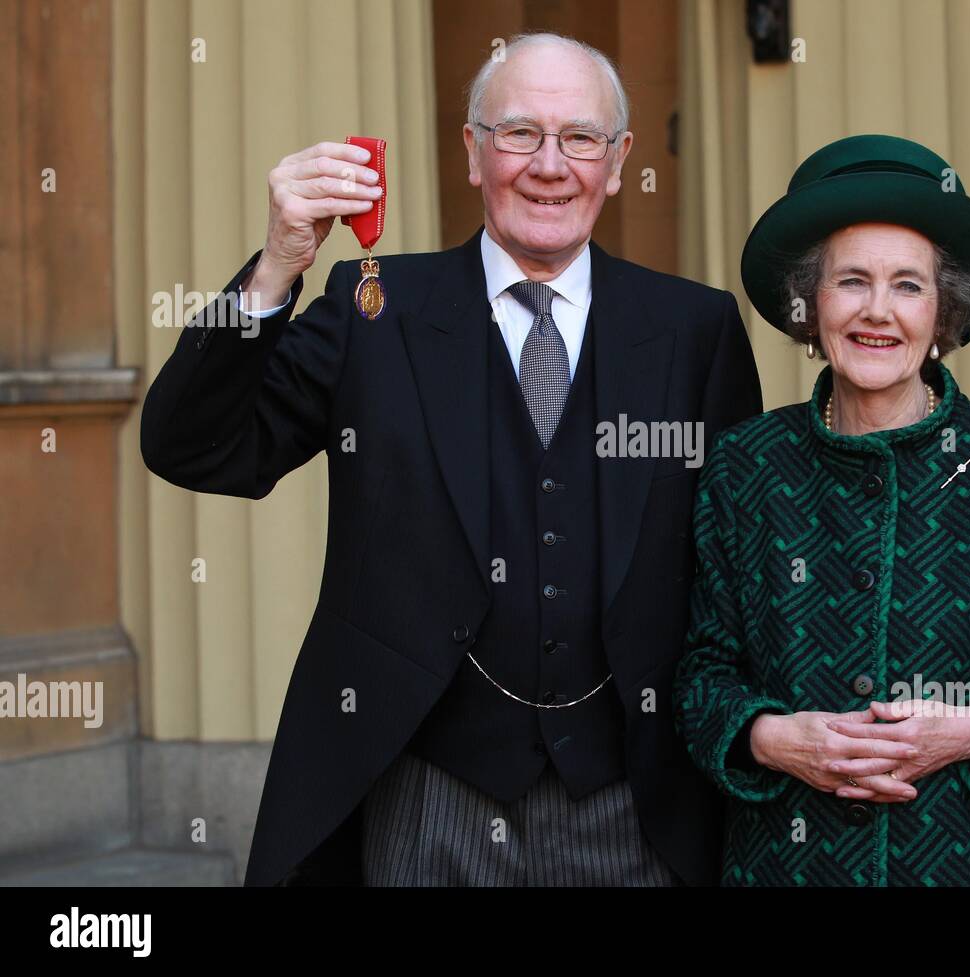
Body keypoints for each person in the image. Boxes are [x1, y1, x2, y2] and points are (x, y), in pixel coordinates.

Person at [140, 32, 761, 886]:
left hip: (632, 805)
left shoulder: (695, 330)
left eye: (580, 138)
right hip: (429, 800)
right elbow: (195, 446)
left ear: (617, 163)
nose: (550, 164)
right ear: (473, 152)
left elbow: (738, 573)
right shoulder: (374, 309)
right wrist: (280, 261)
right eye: (518, 134)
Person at [674, 134, 970, 886]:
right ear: (809, 303)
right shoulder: (745, 465)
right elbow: (697, 679)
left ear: (943, 310)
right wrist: (770, 736)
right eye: (851, 281)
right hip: (785, 865)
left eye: (908, 285)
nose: (877, 311)